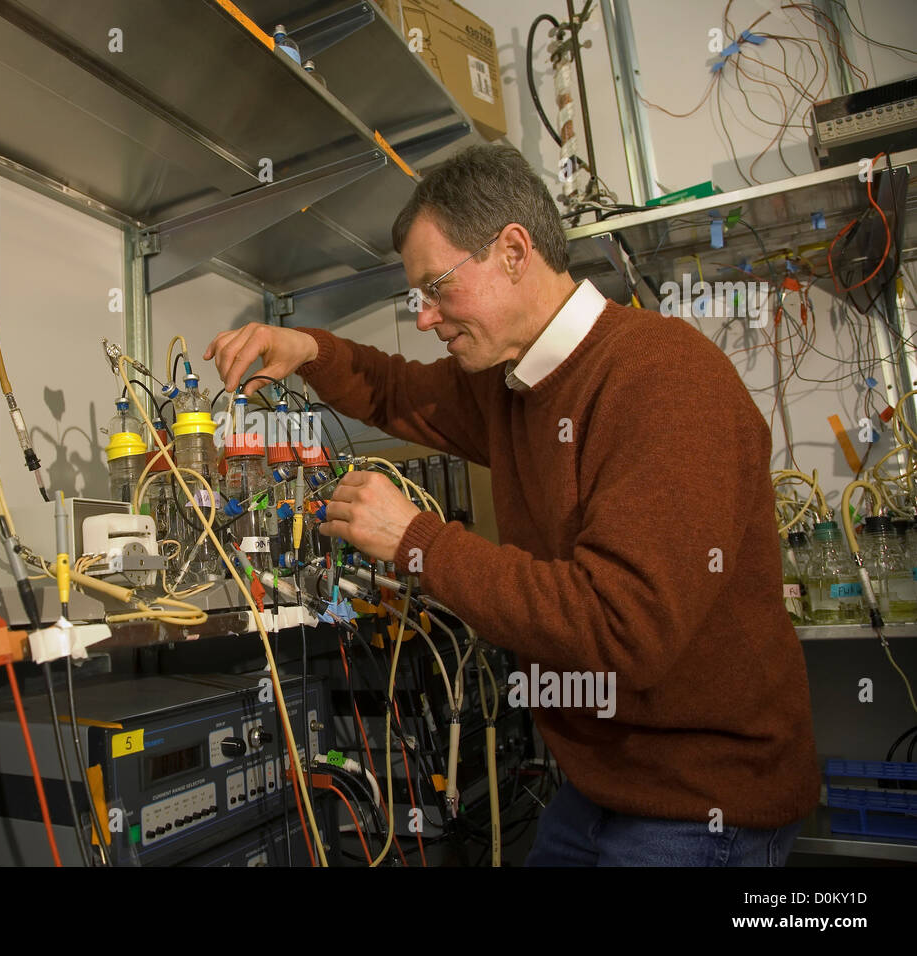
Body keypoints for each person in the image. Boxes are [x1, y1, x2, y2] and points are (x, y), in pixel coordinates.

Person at [204, 144, 818, 866]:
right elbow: (397, 391)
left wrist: (417, 542)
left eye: (436, 288)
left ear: (514, 250)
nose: (425, 317)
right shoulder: (512, 382)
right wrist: (303, 346)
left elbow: (623, 627)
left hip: (701, 804)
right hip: (597, 790)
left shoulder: (664, 380)